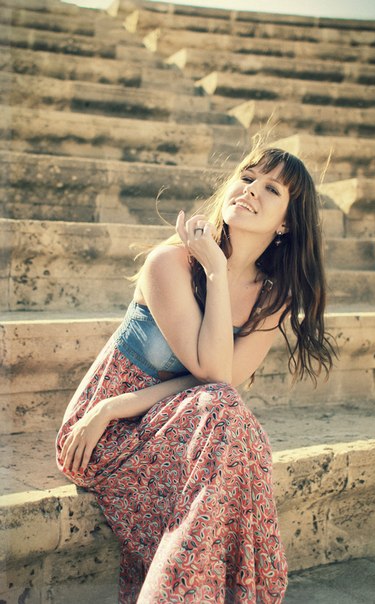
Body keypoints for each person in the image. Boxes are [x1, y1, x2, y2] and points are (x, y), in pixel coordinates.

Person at [55, 141, 335, 603]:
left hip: (169, 421)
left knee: (232, 423)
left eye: (271, 189)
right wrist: (110, 407)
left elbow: (220, 379)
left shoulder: (272, 295)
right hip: (104, 432)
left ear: (286, 222)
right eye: (247, 178)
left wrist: (219, 272)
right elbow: (213, 374)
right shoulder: (170, 263)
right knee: (233, 428)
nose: (251, 190)